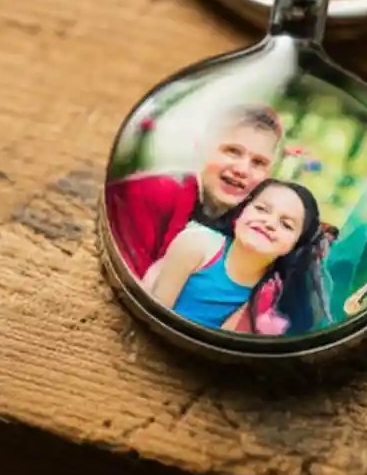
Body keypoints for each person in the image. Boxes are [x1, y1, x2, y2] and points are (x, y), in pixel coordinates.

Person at [105, 104, 282, 279]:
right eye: (233, 151)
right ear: (201, 148)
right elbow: (131, 278)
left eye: (258, 162)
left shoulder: (253, 229)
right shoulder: (151, 192)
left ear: (269, 175)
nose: (242, 170)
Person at [142, 179, 332, 335]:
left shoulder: (273, 296)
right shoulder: (197, 244)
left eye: (286, 225)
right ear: (240, 212)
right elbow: (153, 318)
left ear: (294, 247)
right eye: (261, 209)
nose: (269, 222)